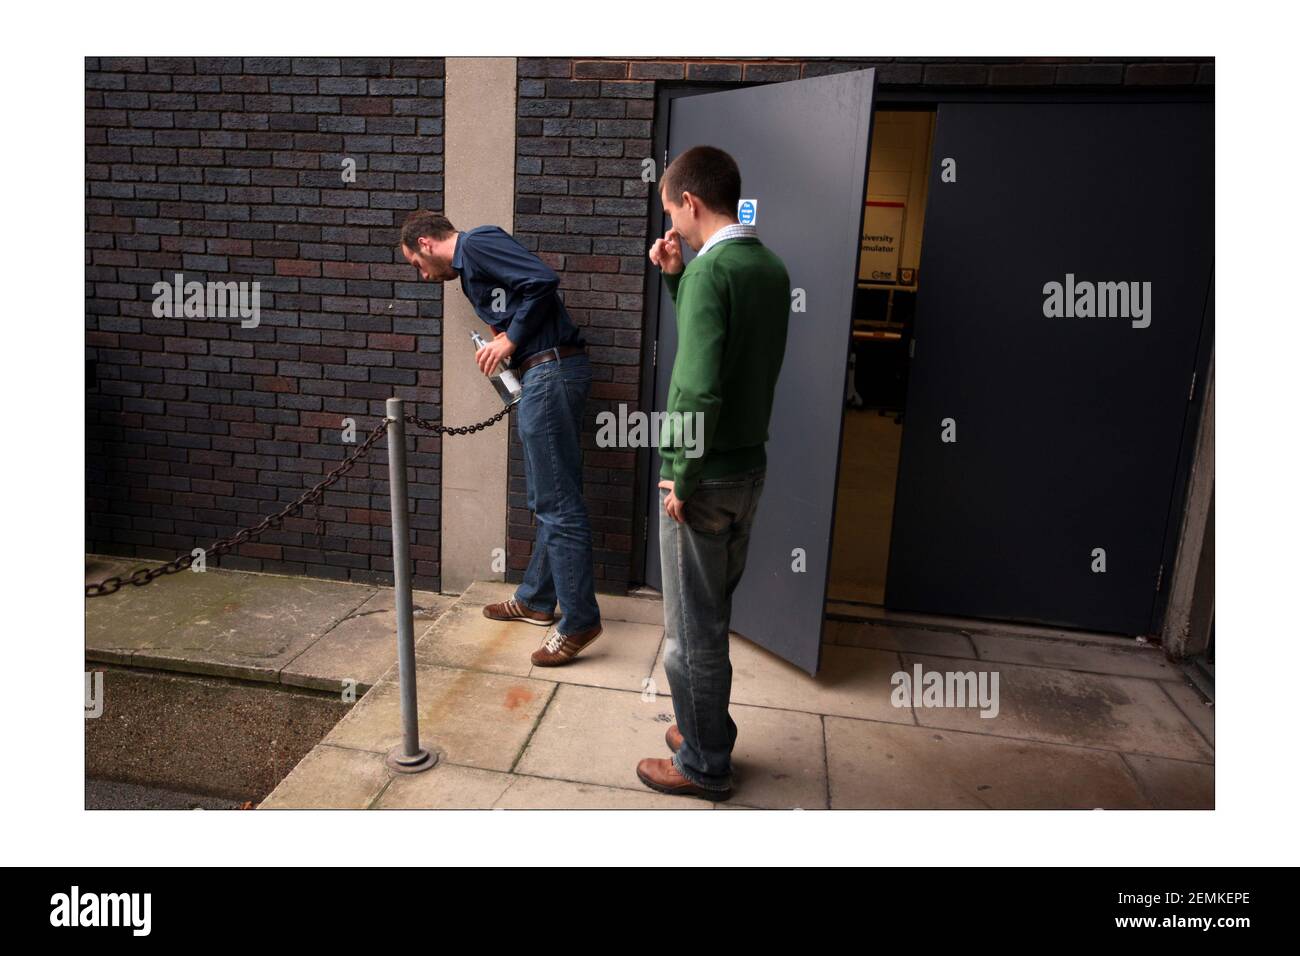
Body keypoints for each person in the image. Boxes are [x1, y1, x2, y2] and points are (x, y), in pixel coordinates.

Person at [638, 146, 791, 800]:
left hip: (703, 481)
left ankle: (704, 762)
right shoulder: (768, 267)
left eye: (671, 209)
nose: (672, 221)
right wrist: (678, 278)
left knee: (689, 636)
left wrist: (679, 474)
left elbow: (696, 390)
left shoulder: (712, 274)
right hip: (747, 473)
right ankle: (703, 730)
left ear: (689, 203)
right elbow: (724, 350)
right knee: (712, 617)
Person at [400, 211, 602, 665]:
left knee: (557, 504)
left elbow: (542, 281)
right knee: (546, 496)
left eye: (415, 263)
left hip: (551, 371)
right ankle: (535, 599)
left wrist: (509, 339)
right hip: (543, 374)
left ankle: (580, 620)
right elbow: (525, 294)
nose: (422, 274)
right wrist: (505, 340)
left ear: (427, 243)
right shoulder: (471, 271)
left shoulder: (476, 244)